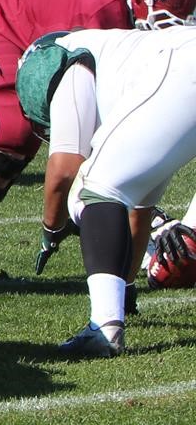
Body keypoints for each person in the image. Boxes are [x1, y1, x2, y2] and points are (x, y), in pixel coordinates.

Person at [0, 0, 196, 289]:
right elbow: (80, 139)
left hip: (42, 12)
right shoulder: (93, 14)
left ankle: (126, 245)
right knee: (14, 134)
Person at [16, 27, 196, 357]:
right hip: (184, 62)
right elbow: (138, 209)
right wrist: (124, 286)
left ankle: (104, 327)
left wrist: (52, 229)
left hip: (185, 67)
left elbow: (65, 170)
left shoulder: (68, 60)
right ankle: (113, 306)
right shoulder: (121, 61)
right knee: (119, 188)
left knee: (95, 186)